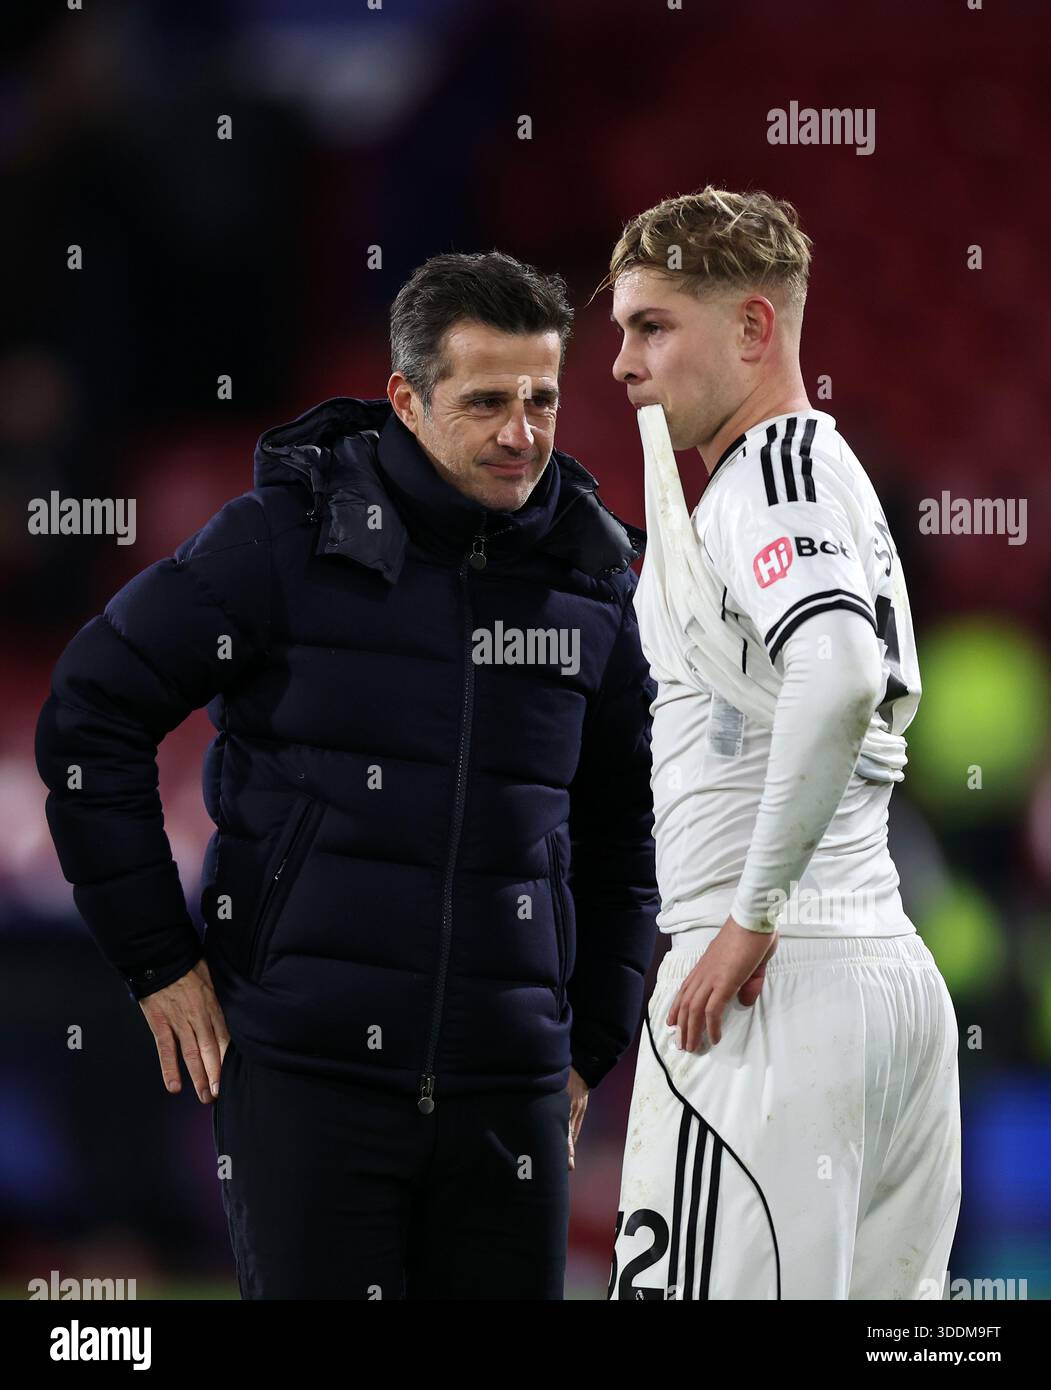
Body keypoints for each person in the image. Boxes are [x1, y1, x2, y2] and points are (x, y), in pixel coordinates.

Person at [35, 250, 659, 1300]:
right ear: (407, 401)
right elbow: (91, 712)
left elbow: (627, 833)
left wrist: (588, 1043)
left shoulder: (591, 582)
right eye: (487, 401)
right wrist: (154, 957)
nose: (523, 433)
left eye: (542, 399)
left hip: (508, 1098)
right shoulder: (283, 541)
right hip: (306, 1084)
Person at [603, 187, 961, 1300]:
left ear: (753, 329)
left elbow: (841, 672)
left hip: (773, 983)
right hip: (865, 969)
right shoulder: (818, 480)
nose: (620, 364)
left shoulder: (772, 476)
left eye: (651, 326)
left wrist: (749, 917)